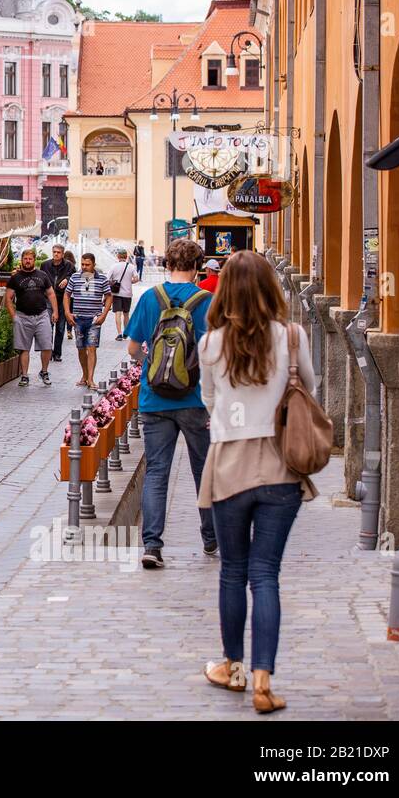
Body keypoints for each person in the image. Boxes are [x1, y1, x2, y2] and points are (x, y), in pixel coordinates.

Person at [198, 250, 315, 714]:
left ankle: (233, 668)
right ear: (271, 287)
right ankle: (263, 680)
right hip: (280, 466)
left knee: (233, 570)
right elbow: (309, 386)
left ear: (224, 290)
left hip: (229, 463)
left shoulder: (210, 344)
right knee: (266, 574)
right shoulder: (292, 335)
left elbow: (208, 401)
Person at [125, 238, 217, 570]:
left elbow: (133, 348)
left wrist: (151, 355)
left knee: (157, 473)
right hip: (195, 399)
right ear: (197, 266)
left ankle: (152, 545)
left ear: (167, 265)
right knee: (203, 470)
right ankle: (210, 536)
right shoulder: (207, 300)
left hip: (155, 398)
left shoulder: (151, 297)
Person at [5, 248, 58, 387]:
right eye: (25, 259)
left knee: (47, 345)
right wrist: (14, 316)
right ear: (21, 260)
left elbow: (51, 294)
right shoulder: (15, 278)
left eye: (30, 259)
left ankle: (44, 371)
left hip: (41, 315)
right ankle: (24, 375)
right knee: (24, 348)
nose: (27, 261)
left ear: (34, 260)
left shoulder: (42, 275)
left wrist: (55, 311)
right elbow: (8, 298)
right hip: (22, 316)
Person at [64, 252, 112, 389]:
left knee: (91, 348)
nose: (84, 267)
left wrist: (103, 315)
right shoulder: (75, 277)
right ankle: (84, 376)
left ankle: (91, 379)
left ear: (94, 265)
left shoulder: (101, 278)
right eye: (82, 264)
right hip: (78, 318)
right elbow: (66, 295)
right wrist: (68, 313)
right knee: (80, 349)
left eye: (87, 264)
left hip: (94, 320)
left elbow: (109, 296)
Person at [39, 244, 76, 364]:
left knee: (60, 328)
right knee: (48, 327)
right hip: (48, 299)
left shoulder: (69, 265)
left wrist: (67, 279)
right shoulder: (45, 265)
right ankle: (48, 352)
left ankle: (57, 353)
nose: (56, 254)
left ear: (63, 254)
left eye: (59, 252)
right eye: (54, 252)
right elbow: (40, 278)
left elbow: (74, 277)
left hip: (62, 299)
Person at [108, 248, 138, 341]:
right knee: (126, 314)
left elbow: (108, 280)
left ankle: (119, 334)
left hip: (117, 293)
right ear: (126, 257)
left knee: (118, 313)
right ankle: (126, 333)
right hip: (128, 293)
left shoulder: (114, 267)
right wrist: (130, 282)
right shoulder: (131, 267)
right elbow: (136, 278)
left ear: (118, 256)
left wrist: (114, 283)